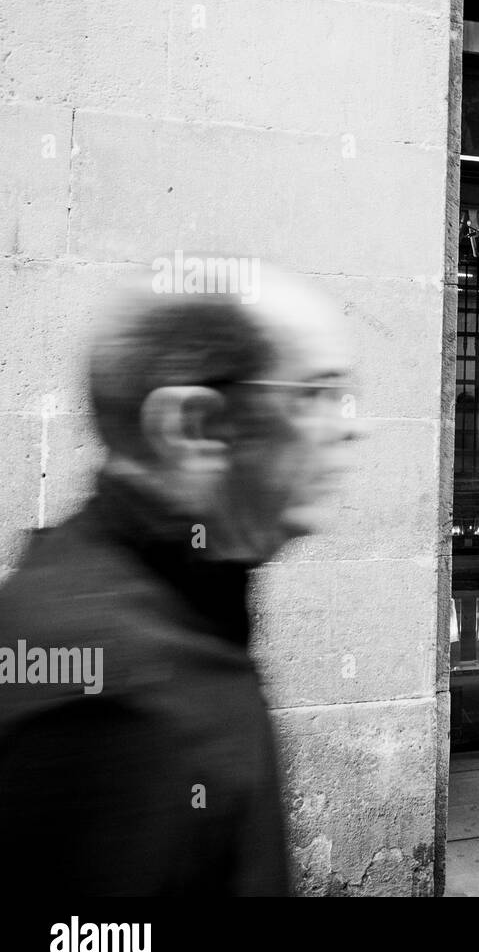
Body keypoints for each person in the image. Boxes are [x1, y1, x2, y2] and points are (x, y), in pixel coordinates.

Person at [0, 259, 359, 895]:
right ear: (192, 428)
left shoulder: (186, 600)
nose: (352, 425)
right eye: (316, 393)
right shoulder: (106, 704)